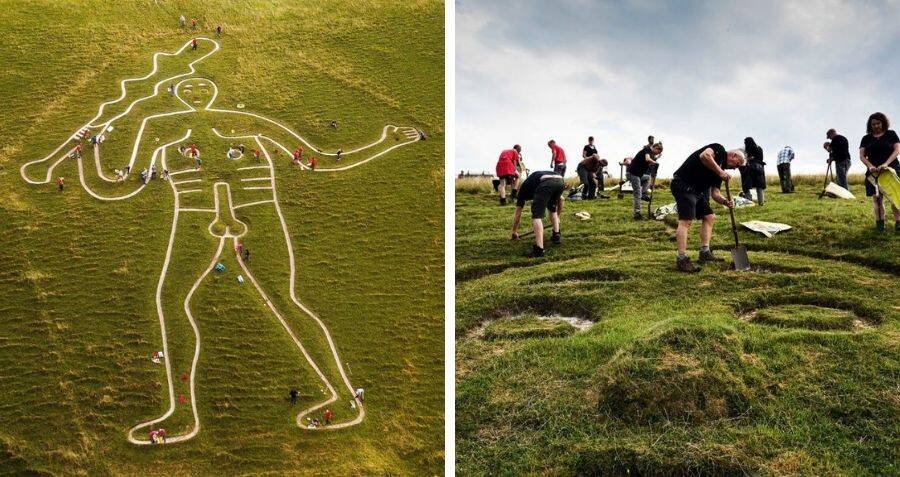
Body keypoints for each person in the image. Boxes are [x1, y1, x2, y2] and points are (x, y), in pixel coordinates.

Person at [670, 144, 746, 272]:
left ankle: (705, 253)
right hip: (683, 184)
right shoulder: (718, 149)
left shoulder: (720, 171)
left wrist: (725, 201)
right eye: (736, 165)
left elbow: (715, 194)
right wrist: (720, 171)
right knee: (686, 221)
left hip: (697, 191)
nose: (734, 169)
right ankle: (682, 259)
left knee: (709, 217)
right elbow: (704, 156)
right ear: (733, 155)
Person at [859, 112, 900, 232]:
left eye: (878, 123)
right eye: (873, 124)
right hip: (874, 173)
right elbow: (862, 156)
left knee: (894, 196)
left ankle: (898, 222)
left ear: (883, 123)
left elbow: (897, 150)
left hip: (891, 170)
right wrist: (870, 166)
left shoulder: (891, 134)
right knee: (877, 198)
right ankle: (880, 224)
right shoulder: (866, 138)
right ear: (870, 125)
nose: (876, 126)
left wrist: (886, 164)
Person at [510, 170, 565, 258]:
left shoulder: (522, 193)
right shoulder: (533, 184)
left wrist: (514, 231)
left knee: (536, 216)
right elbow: (561, 199)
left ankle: (539, 250)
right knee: (552, 209)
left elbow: (517, 214)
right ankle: (556, 235)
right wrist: (557, 216)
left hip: (547, 182)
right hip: (560, 181)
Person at [626, 142, 663, 219]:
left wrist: (654, 172)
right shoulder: (647, 149)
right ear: (655, 148)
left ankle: (643, 193)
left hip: (638, 175)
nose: (656, 154)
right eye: (657, 152)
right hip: (633, 174)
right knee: (637, 194)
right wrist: (655, 163)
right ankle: (637, 214)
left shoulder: (650, 154)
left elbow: (649, 164)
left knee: (647, 177)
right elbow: (647, 159)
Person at [743, 137, 766, 205]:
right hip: (760, 167)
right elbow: (761, 158)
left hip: (751, 167)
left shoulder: (750, 147)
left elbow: (750, 158)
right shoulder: (759, 148)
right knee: (759, 185)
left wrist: (746, 159)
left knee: (746, 185)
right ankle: (761, 202)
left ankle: (748, 201)